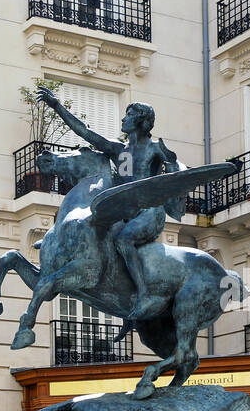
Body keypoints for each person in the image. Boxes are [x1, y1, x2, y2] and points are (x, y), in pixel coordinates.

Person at [34, 86, 181, 326]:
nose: (123, 119)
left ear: (142, 122)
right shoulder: (120, 150)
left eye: (129, 115)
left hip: (148, 212)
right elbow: (85, 132)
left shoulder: (154, 149)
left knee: (123, 240)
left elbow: (174, 180)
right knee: (90, 234)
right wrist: (57, 106)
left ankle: (145, 295)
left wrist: (171, 161)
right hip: (124, 211)